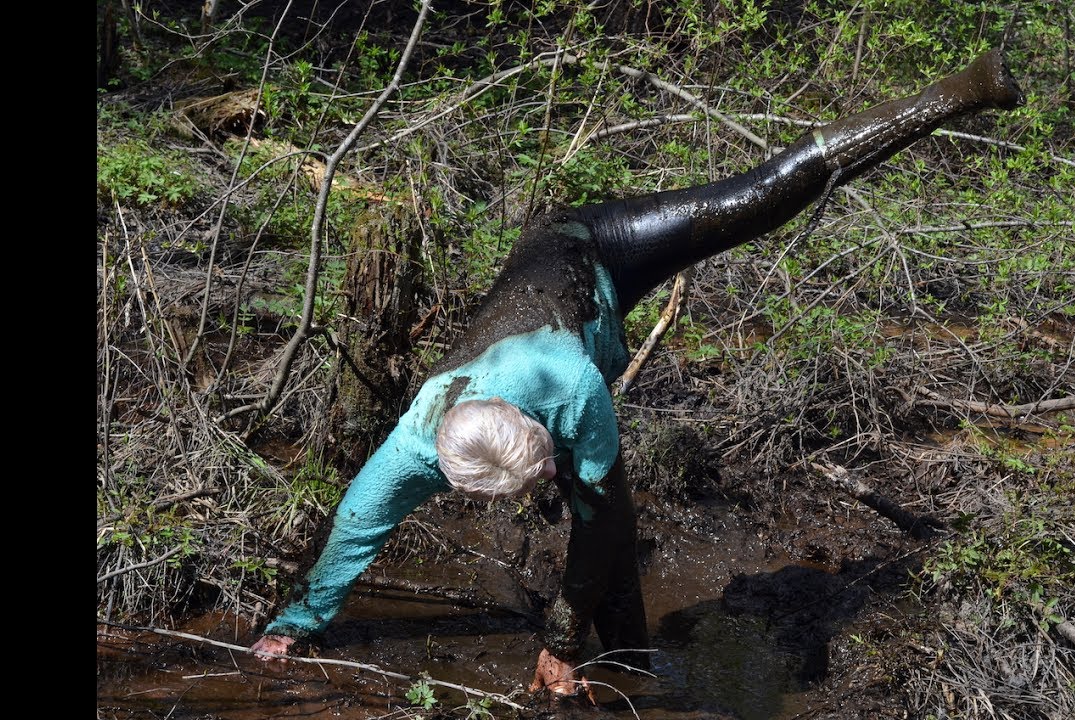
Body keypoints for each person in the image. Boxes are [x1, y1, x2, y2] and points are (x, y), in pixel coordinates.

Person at [251, 49, 1023, 699]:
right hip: (539, 301)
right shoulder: (417, 441)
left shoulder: (570, 385)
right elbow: (356, 527)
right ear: (444, 470)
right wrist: (295, 624)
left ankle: (961, 89)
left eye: (542, 464)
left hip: (592, 248)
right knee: (597, 527)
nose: (547, 477)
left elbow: (605, 516)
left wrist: (559, 636)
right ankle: (633, 674)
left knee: (750, 200)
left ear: (533, 424)